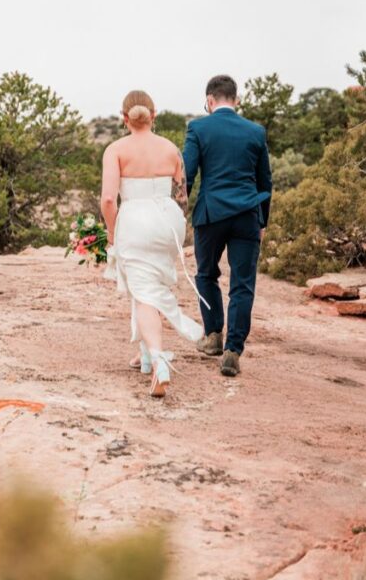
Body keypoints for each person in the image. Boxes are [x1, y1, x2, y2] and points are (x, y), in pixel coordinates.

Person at [101, 90, 205, 398]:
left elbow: (108, 200)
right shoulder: (171, 149)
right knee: (150, 284)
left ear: (124, 118)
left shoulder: (116, 149)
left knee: (144, 291)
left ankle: (159, 360)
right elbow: (182, 196)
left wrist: (112, 232)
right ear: (153, 114)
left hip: (135, 221)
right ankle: (145, 355)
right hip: (168, 221)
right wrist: (176, 227)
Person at [183, 75, 272, 377]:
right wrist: (262, 221)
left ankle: (212, 337)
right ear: (236, 100)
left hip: (211, 214)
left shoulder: (198, 128)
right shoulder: (255, 131)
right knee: (242, 284)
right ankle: (233, 351)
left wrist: (178, 209)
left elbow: (188, 175)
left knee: (206, 274)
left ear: (209, 101)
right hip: (247, 214)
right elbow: (265, 182)